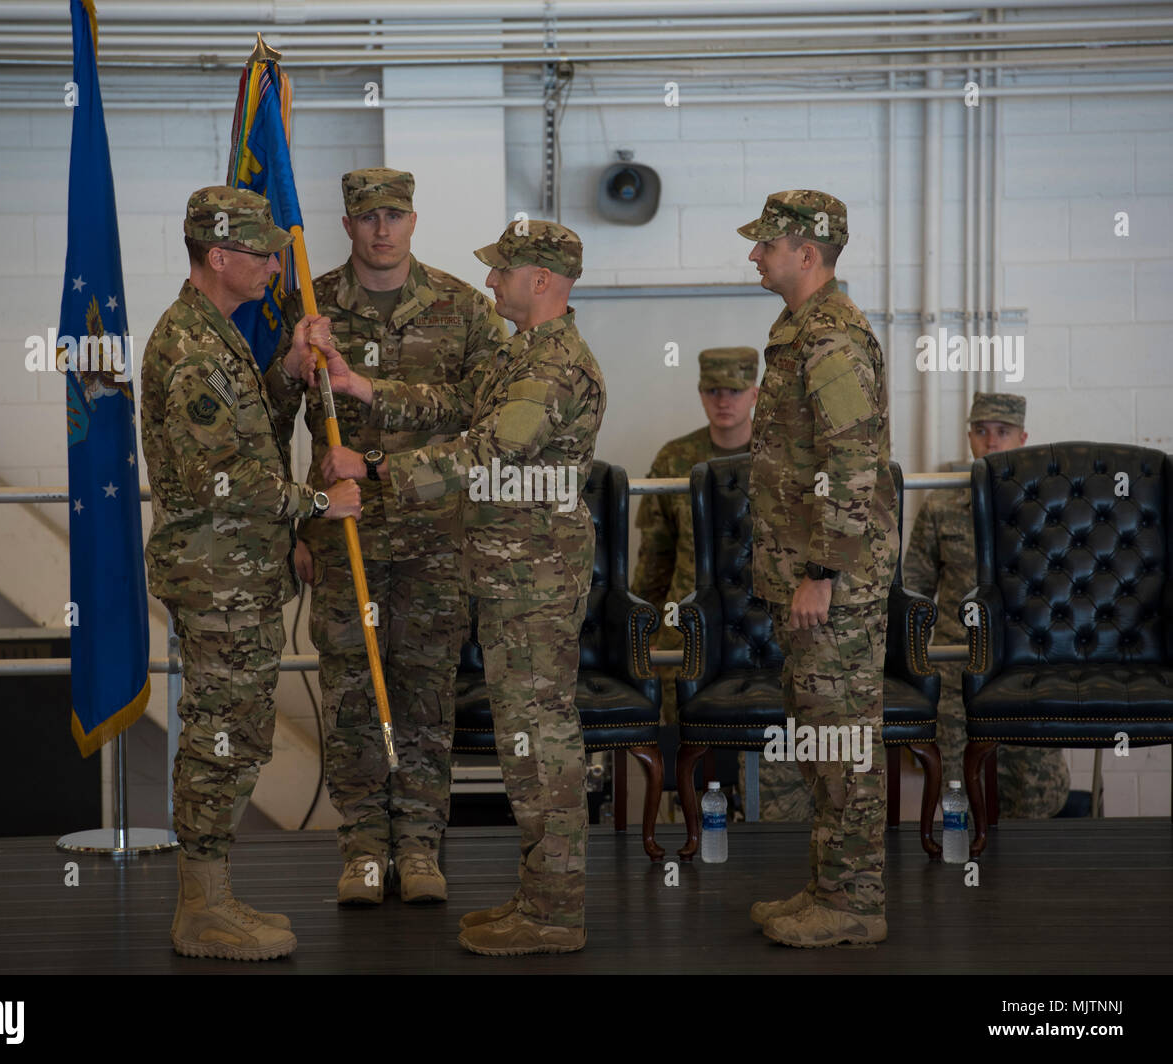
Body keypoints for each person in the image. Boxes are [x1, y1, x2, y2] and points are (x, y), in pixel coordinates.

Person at [299, 219, 604, 956]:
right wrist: (356, 385)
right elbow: (455, 402)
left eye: (503, 271)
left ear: (541, 280)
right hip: (507, 576)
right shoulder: (521, 355)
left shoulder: (553, 367)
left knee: (544, 744)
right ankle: (538, 897)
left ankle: (556, 910)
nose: (491, 282)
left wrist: (372, 472)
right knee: (524, 742)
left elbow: (488, 449)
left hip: (534, 580)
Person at [140, 186, 361, 961]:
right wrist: (320, 502)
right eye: (263, 253)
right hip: (217, 577)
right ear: (220, 256)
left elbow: (245, 438)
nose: (276, 265)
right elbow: (220, 477)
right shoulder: (194, 348)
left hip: (235, 571)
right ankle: (202, 907)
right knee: (220, 736)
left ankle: (214, 895)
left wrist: (288, 373)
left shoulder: (218, 336)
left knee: (230, 731)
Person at [282, 168, 507, 906]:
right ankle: (362, 852)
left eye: (395, 215)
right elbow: (270, 414)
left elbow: (483, 411)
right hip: (342, 535)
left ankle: (418, 846)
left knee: (423, 696)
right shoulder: (309, 307)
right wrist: (294, 521)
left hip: (434, 539)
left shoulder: (464, 308)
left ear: (414, 220)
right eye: (367, 216)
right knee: (351, 696)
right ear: (346, 225)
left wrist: (371, 396)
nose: (382, 229)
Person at [739, 190, 898, 948]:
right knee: (819, 738)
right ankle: (829, 885)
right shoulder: (800, 329)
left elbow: (851, 464)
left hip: (835, 586)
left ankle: (856, 903)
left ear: (807, 253)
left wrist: (822, 573)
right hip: (808, 575)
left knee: (843, 745)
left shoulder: (832, 339)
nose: (754, 255)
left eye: (766, 245)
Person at [632, 348, 813, 821]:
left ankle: (772, 844)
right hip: (688, 632)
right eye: (713, 390)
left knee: (778, 773)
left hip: (766, 628)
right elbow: (655, 557)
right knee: (692, 768)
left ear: (754, 393)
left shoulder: (781, 458)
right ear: (701, 394)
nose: (723, 400)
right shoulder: (676, 458)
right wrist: (643, 634)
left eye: (734, 390)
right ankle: (695, 838)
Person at [904, 392, 1071, 817]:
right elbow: (915, 592)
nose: (991, 442)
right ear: (969, 437)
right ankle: (964, 877)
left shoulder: (1047, 511)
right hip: (957, 670)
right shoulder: (942, 506)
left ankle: (1026, 882)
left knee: (1035, 794)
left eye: (1002, 432)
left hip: (1026, 666)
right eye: (981, 432)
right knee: (959, 796)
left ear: (1023, 438)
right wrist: (914, 671)